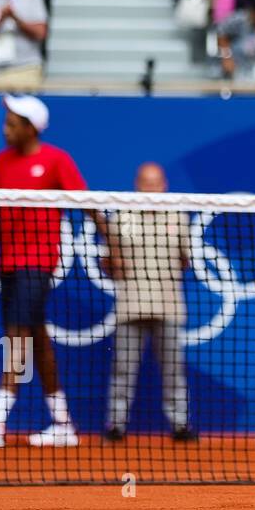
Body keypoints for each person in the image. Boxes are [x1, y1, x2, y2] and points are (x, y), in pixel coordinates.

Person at [0, 95, 120, 448]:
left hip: (39, 263)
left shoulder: (56, 160)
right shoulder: (2, 162)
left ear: (30, 128)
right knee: (37, 339)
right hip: (10, 264)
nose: (5, 130)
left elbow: (86, 203)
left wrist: (111, 246)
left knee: (17, 334)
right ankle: (63, 423)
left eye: (12, 124)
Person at [105, 162, 196, 443]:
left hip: (168, 306)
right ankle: (116, 425)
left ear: (164, 185)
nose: (150, 188)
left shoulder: (178, 218)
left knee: (173, 370)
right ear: (137, 184)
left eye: (155, 183)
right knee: (123, 368)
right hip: (130, 305)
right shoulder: (121, 218)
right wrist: (112, 263)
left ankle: (180, 424)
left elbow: (185, 260)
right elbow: (109, 261)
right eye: (145, 183)